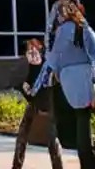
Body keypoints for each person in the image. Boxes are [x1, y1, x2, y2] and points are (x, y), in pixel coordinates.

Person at [33, 0, 95, 169]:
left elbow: (52, 57)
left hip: (71, 83)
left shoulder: (69, 24)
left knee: (78, 136)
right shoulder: (77, 23)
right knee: (74, 135)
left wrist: (36, 88)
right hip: (72, 83)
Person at [11, 38, 63, 169]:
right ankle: (16, 166)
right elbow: (25, 88)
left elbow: (53, 86)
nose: (32, 52)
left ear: (41, 48)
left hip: (49, 105)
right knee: (22, 136)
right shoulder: (25, 67)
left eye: (35, 48)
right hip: (34, 104)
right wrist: (25, 87)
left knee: (52, 140)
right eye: (29, 49)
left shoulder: (47, 66)